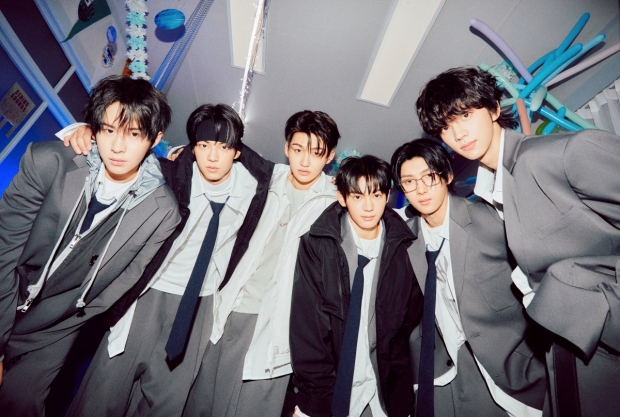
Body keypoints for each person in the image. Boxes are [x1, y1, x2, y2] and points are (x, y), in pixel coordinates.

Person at [416, 66, 620, 417]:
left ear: (494, 108)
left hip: (605, 336)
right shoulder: (491, 193)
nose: (458, 133)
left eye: (465, 114)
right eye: (445, 126)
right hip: (565, 345)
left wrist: (610, 315)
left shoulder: (561, 153)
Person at [0, 75, 180, 417]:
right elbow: (3, 248)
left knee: (22, 404)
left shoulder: (163, 212)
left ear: (155, 139)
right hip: (4, 291)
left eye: (134, 135)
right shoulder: (48, 161)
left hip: (56, 326)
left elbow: (121, 282)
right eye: (109, 130)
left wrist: (69, 319)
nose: (118, 147)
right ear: (95, 128)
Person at [182, 110, 341, 416]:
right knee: (202, 403)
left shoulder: (335, 201)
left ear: (330, 156)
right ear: (286, 148)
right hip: (230, 307)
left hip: (280, 321)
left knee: (254, 407)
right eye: (298, 150)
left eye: (316, 153)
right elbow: (215, 150)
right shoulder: (265, 178)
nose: (305, 161)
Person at [391, 138, 547, 417]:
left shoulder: (492, 221)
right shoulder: (404, 238)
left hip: (508, 365)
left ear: (448, 175)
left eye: (429, 176)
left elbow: (539, 282)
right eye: (409, 182)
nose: (421, 189)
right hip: (440, 371)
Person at [290, 155, 423, 417]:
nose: (368, 206)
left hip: (386, 389)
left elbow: (409, 325)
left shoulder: (406, 248)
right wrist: (313, 401)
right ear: (342, 198)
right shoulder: (317, 245)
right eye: (358, 196)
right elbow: (307, 330)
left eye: (376, 195)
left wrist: (403, 393)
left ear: (387, 196)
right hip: (333, 387)